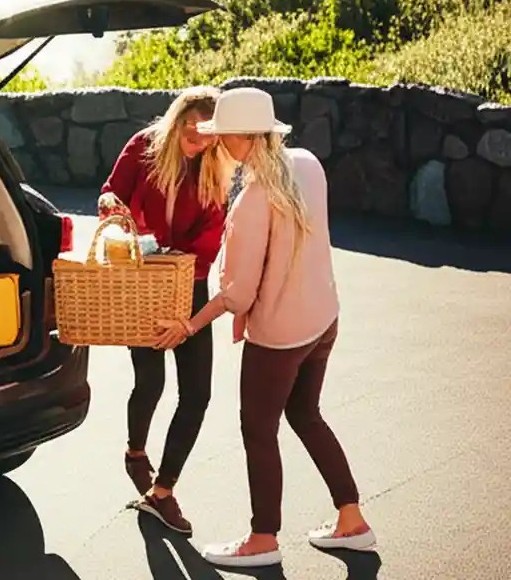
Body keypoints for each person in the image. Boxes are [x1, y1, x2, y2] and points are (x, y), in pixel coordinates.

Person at [151, 87, 376, 567]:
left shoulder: (253, 198)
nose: (215, 143)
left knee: (258, 428)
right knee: (306, 414)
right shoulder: (308, 164)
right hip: (323, 319)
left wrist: (189, 325)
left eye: (220, 135)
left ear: (239, 136)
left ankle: (262, 540)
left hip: (279, 336)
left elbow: (239, 294)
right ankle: (351, 520)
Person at [97, 86, 231, 535]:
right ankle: (136, 451)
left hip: (188, 283)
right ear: (176, 121)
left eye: (206, 135)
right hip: (140, 281)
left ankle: (164, 490)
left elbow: (211, 234)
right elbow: (111, 193)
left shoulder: (215, 167)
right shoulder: (143, 147)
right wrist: (110, 207)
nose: (197, 141)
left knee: (198, 393)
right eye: (191, 131)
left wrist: (177, 260)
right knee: (149, 380)